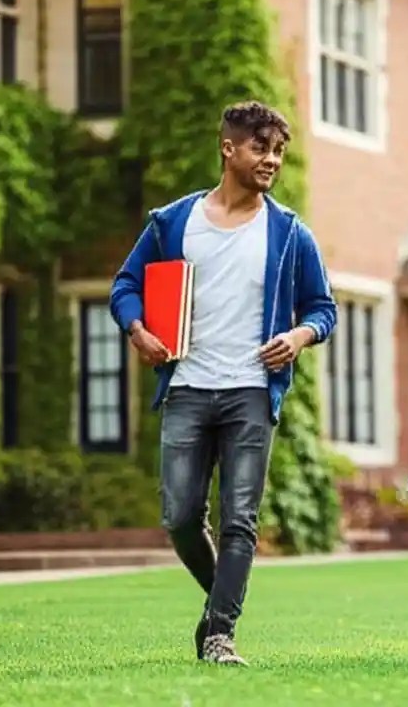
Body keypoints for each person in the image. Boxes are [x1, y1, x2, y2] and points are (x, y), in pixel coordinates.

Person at [109, 100, 337, 666]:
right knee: (181, 516)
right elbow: (124, 286)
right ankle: (220, 603)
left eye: (279, 151)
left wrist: (301, 337)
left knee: (240, 519)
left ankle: (219, 634)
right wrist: (137, 329)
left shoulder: (289, 233)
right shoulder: (173, 223)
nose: (271, 160)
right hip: (187, 385)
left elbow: (323, 307)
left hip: (251, 391)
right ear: (228, 148)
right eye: (261, 148)